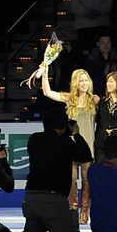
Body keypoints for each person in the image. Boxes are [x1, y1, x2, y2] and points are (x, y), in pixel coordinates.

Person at [21, 109, 93, 232]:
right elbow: (85, 156)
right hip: (52, 199)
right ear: (63, 126)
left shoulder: (34, 139)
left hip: (31, 198)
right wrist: (76, 134)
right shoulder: (64, 142)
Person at [41, 65, 99, 222]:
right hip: (71, 146)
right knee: (71, 180)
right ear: (75, 83)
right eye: (81, 80)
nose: (84, 83)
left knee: (87, 181)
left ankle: (85, 211)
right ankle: (73, 207)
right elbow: (47, 92)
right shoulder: (69, 98)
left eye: (86, 80)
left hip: (88, 146)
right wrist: (45, 73)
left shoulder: (94, 100)